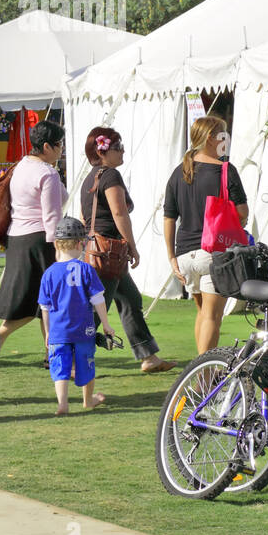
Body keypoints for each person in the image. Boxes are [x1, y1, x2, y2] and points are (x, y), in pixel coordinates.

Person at [79, 127, 174, 374]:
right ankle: (68, 357)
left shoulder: (90, 178)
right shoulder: (110, 176)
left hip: (101, 251)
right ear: (102, 151)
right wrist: (132, 245)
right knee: (96, 310)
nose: (122, 151)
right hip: (109, 251)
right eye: (118, 146)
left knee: (130, 299)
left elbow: (84, 216)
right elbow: (119, 212)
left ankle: (148, 356)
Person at [0, 119, 66, 370]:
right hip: (41, 239)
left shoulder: (21, 166)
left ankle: (46, 351)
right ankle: (2, 337)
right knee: (45, 301)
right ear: (48, 146)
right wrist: (60, 250)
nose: (62, 150)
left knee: (38, 301)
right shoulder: (46, 173)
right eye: (60, 145)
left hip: (17, 237)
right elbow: (52, 216)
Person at [163, 115, 248, 355]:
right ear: (211, 138)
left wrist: (171, 257)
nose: (226, 139)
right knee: (213, 316)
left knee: (202, 314)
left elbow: (169, 217)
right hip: (213, 252)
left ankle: (201, 373)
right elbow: (242, 212)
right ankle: (204, 376)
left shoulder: (179, 172)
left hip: (184, 255)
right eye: (222, 134)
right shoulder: (224, 170)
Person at [39, 216, 115, 415]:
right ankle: (87, 400)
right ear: (81, 243)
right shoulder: (86, 269)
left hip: (58, 331)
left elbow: (45, 308)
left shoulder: (49, 273)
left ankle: (62, 403)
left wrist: (47, 332)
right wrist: (106, 325)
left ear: (57, 243)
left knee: (60, 367)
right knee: (86, 364)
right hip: (84, 329)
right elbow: (98, 299)